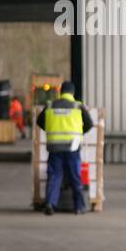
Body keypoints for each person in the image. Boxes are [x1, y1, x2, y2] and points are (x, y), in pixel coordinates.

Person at [35, 81, 93, 216]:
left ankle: (50, 204)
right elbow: (89, 124)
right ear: (72, 93)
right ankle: (79, 207)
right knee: (74, 177)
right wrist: (79, 133)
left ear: (61, 92)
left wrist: (50, 130)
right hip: (72, 147)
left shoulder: (50, 105)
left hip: (54, 146)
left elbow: (39, 121)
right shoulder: (78, 106)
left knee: (54, 175)